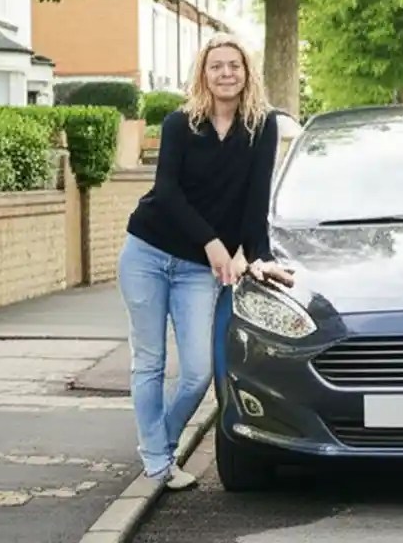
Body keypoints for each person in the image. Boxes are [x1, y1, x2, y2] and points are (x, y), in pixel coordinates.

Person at [117, 32, 293, 491]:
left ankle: (162, 445)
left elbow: (255, 205)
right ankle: (157, 462)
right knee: (149, 362)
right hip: (148, 251)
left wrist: (260, 258)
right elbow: (168, 194)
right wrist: (215, 244)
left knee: (198, 372)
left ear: (246, 72)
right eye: (216, 66)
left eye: (234, 65)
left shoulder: (261, 126)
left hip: (196, 270)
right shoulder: (180, 123)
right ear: (204, 74)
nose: (226, 73)